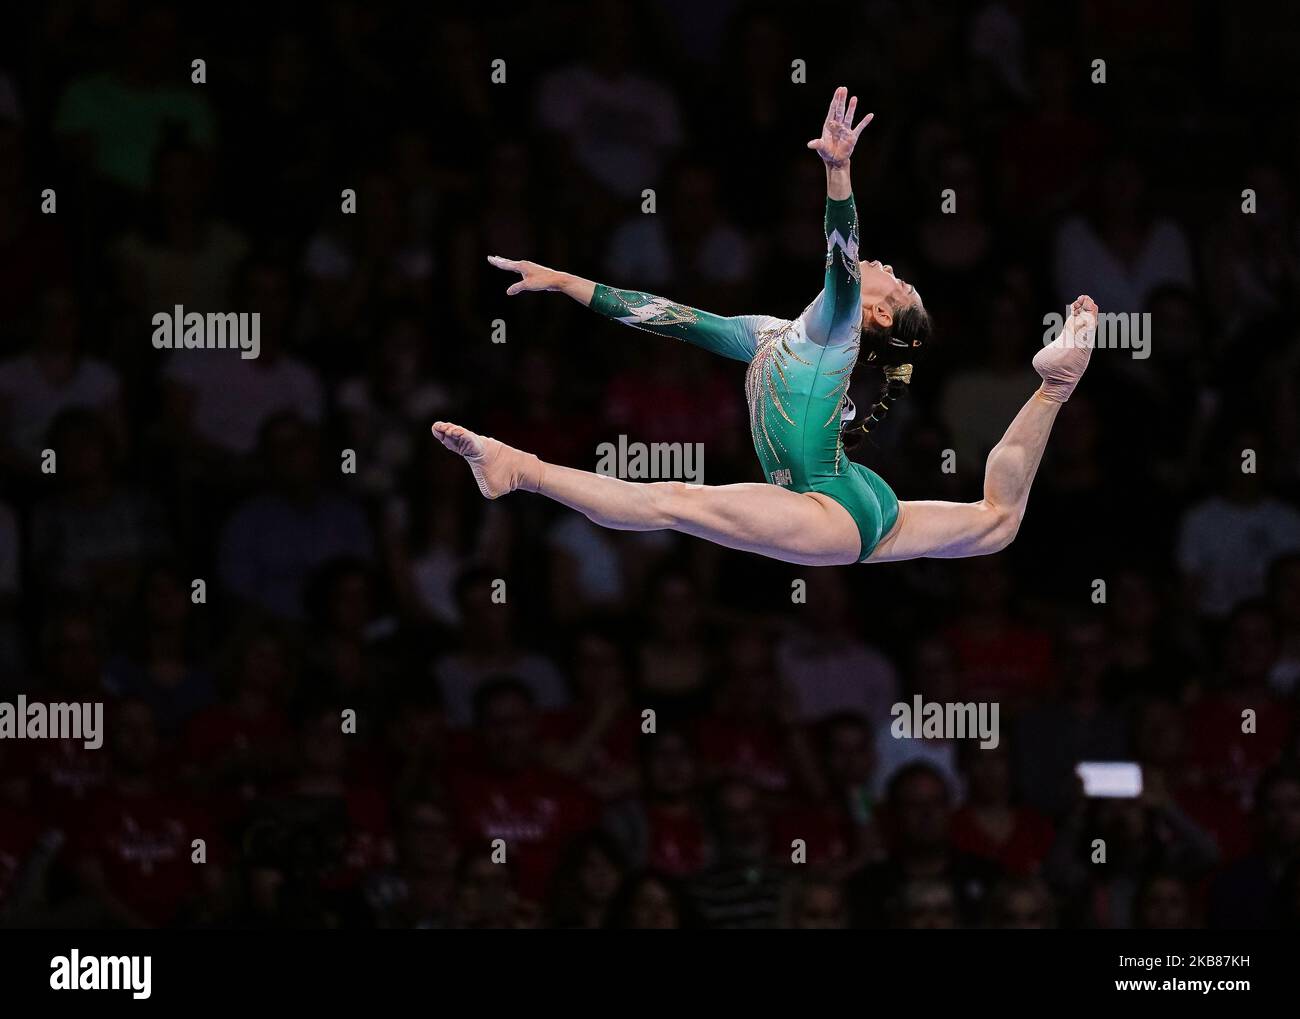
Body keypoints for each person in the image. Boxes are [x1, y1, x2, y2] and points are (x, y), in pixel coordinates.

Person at [435, 87, 1095, 568]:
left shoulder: (839, 325)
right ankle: (1054, 388)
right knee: (997, 522)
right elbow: (679, 320)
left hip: (828, 512)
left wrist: (837, 171)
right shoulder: (778, 332)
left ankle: (517, 468)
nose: (889, 266)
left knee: (673, 501)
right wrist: (567, 282)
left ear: (880, 314)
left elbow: (841, 246)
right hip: (854, 498)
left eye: (898, 281)